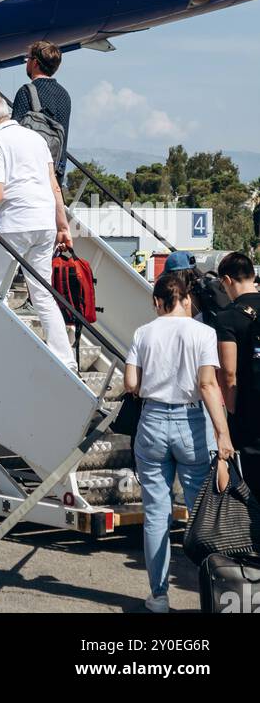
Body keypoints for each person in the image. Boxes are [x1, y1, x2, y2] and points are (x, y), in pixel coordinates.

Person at [124, 270, 234, 613]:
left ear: (158, 302)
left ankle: (158, 597)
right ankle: (210, 596)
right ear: (186, 299)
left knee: (157, 514)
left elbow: (131, 383)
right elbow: (208, 386)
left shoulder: (144, 333)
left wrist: (152, 387)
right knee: (201, 514)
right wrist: (223, 434)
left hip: (153, 421)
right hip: (190, 423)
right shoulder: (203, 332)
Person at [0, 92, 78, 369]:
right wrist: (63, 226)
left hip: (15, 224)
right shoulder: (36, 139)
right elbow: (54, 186)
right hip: (44, 223)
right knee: (42, 293)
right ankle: (66, 359)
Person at [212, 250, 260, 499]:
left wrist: (231, 413)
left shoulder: (227, 318)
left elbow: (229, 374)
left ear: (228, 280)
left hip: (249, 415)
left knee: (250, 488)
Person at [11, 40, 71, 185]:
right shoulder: (64, 95)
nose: (26, 63)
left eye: (28, 59)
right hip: (55, 173)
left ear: (35, 63)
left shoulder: (26, 91)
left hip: (29, 175)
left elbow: (13, 135)